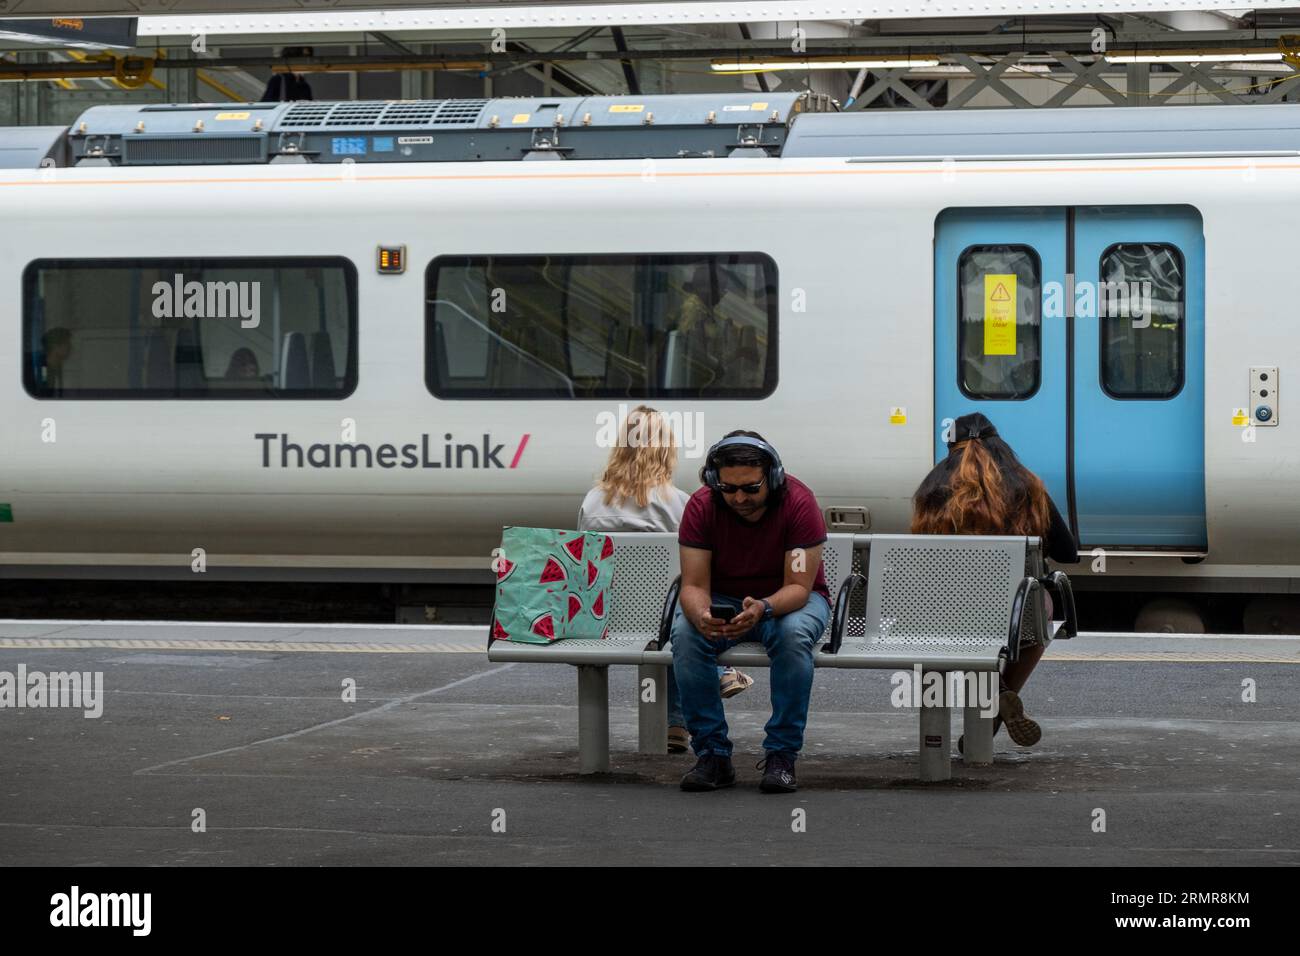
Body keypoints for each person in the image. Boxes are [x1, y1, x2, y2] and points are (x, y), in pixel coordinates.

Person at [576, 406, 753, 754]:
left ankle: (679, 718)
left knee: (670, 614)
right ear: (665, 449)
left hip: (604, 619)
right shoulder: (680, 504)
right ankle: (682, 715)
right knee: (679, 611)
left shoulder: (592, 501)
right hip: (666, 621)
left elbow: (586, 564)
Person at [672, 431, 831, 794]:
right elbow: (694, 585)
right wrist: (701, 616)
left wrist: (763, 607)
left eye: (750, 488)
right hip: (725, 599)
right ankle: (712, 754)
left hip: (788, 600)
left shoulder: (799, 503)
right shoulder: (701, 506)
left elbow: (799, 586)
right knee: (684, 635)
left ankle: (782, 755)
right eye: (728, 489)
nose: (739, 498)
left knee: (792, 637)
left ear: (773, 478)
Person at [911, 412, 1078, 750]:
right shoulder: (1027, 486)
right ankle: (999, 701)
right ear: (999, 445)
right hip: (1017, 609)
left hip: (946, 610)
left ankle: (995, 693)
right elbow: (1068, 552)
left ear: (951, 449)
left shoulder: (933, 487)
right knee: (1038, 615)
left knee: (962, 635)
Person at [40, 327, 73, 396]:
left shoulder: (59, 367)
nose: (70, 347)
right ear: (55, 346)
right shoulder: (42, 369)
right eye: (67, 343)